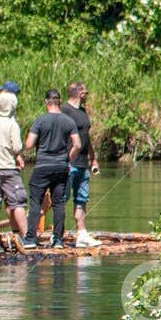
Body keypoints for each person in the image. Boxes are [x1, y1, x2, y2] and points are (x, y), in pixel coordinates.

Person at [23, 89, 81, 249]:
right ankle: (58, 240)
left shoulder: (40, 121)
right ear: (59, 102)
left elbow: (28, 145)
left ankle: (30, 239)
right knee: (58, 203)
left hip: (42, 165)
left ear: (46, 102)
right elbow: (78, 144)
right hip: (61, 167)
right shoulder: (68, 121)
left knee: (35, 201)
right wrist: (68, 157)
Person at [61, 82, 102, 247]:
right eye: (86, 92)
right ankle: (57, 234)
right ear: (79, 93)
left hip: (83, 162)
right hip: (68, 161)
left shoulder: (83, 111)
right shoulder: (64, 110)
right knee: (61, 198)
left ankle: (81, 234)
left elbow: (86, 137)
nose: (87, 95)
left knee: (81, 198)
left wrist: (93, 158)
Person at [0, 90, 29, 241]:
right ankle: (26, 236)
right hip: (8, 168)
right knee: (17, 201)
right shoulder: (12, 124)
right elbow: (17, 148)